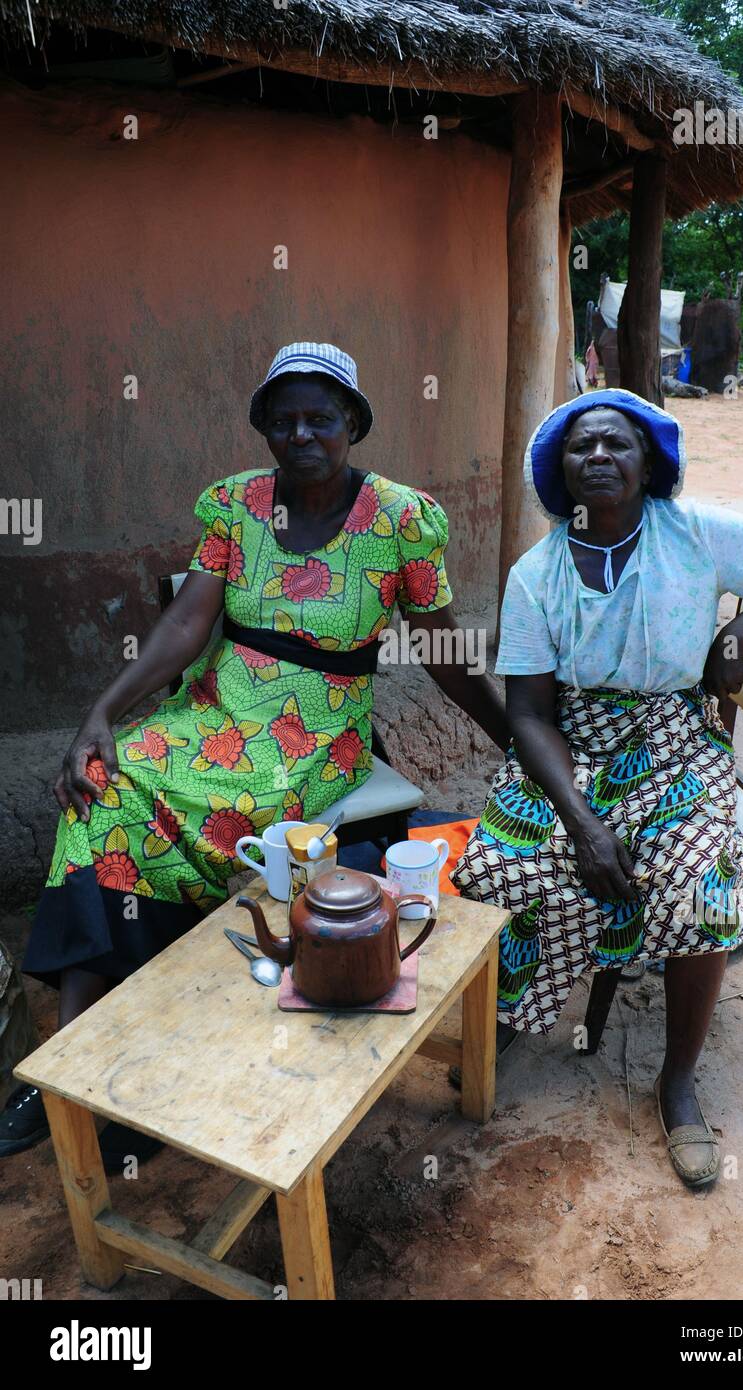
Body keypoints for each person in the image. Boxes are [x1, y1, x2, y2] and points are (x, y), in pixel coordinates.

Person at [1, 342, 508, 1162]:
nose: (301, 433)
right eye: (284, 420)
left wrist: (513, 734)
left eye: (320, 417)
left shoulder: (402, 520)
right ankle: (72, 1059)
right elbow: (185, 625)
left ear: (353, 423)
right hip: (217, 710)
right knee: (106, 784)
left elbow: (443, 651)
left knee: (209, 811)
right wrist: (100, 714)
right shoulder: (236, 506)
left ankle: (159, 1021)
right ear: (265, 431)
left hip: (313, 739)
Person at [451, 387, 743, 1187]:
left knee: (700, 880)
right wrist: (583, 821)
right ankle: (522, 1008)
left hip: (673, 741)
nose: (598, 456)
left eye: (616, 444)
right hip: (572, 748)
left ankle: (677, 1082)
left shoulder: (695, 534)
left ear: (649, 461)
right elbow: (528, 714)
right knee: (500, 862)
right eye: (580, 447)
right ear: (558, 472)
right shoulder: (537, 573)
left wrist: (742, 627)